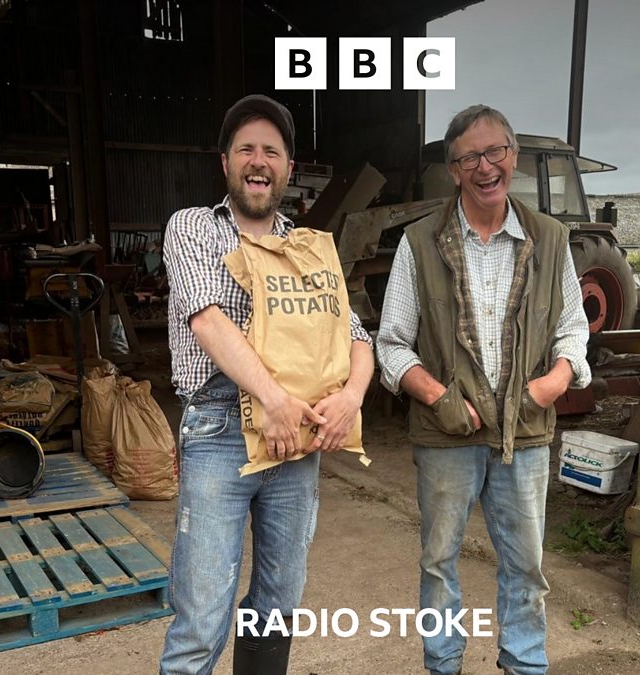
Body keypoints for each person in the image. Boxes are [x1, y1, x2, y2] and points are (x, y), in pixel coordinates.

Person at [159, 94, 375, 675]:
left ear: (287, 169)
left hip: (297, 440)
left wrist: (350, 398)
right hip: (219, 430)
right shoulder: (193, 229)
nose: (259, 161)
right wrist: (273, 399)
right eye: (247, 149)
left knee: (278, 605)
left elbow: (356, 334)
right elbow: (205, 317)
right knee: (203, 615)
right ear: (224, 162)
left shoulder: (305, 248)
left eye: (272, 152)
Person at [376, 104, 591, 675]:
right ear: (453, 169)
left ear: (512, 158)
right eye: (470, 157)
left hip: (526, 432)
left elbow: (573, 327)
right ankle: (442, 665)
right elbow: (391, 344)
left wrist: (550, 385)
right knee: (439, 561)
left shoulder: (550, 238)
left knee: (526, 566)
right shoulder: (419, 243)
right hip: (448, 435)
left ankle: (524, 666)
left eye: (495, 151)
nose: (485, 166)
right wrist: (439, 398)